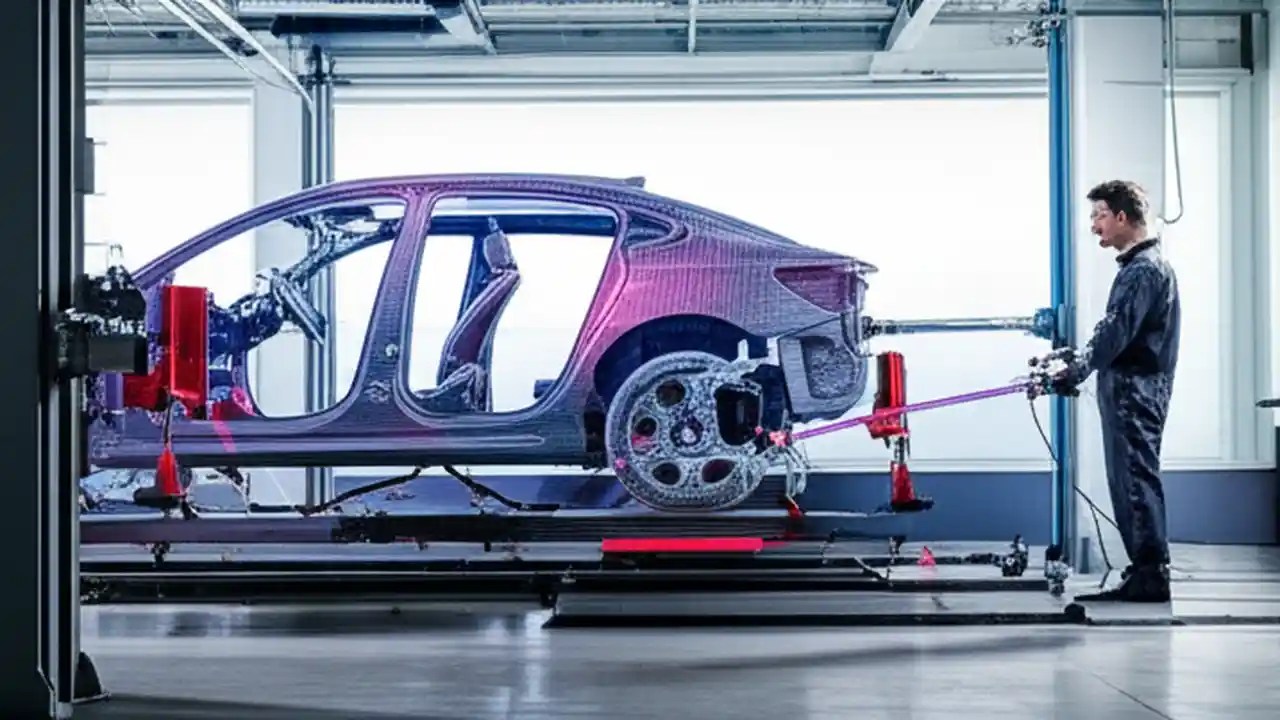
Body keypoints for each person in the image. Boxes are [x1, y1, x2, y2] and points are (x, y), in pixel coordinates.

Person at [1052, 179, 1180, 603]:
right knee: (1133, 480)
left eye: (1099, 216)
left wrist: (1078, 367)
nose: (1094, 227)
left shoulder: (1143, 271)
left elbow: (1115, 331)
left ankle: (1149, 577)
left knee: (1134, 484)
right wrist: (1082, 361)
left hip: (1132, 394)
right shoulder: (1145, 267)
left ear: (1122, 217)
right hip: (1135, 391)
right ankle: (1145, 571)